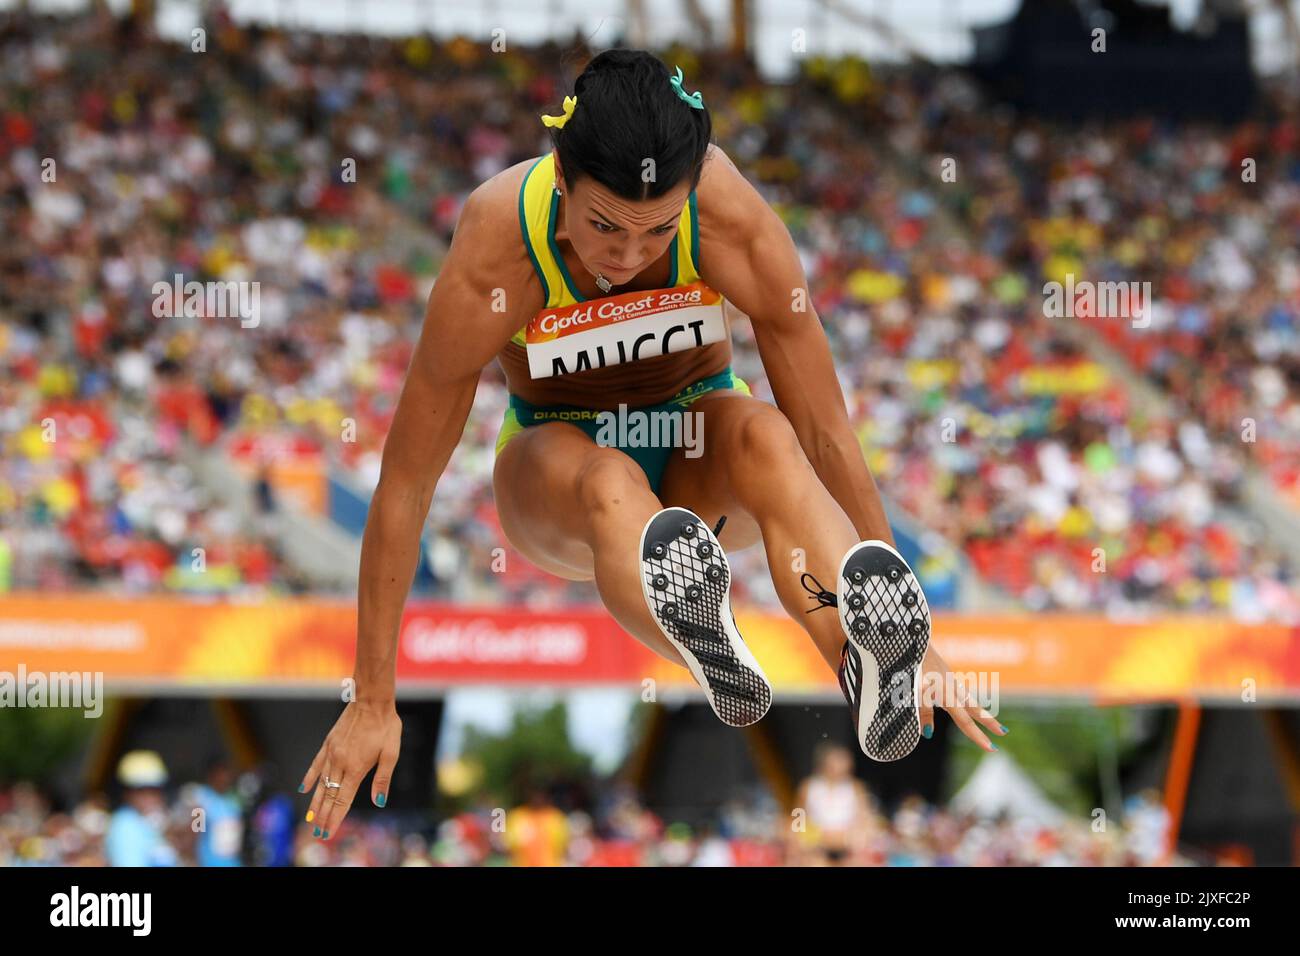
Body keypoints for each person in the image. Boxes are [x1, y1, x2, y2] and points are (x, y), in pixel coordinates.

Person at [299, 50, 1006, 839]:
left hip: (697, 447)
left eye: (658, 231)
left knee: (768, 434)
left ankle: (866, 659)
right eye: (604, 227)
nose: (629, 257)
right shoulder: (498, 242)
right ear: (562, 179)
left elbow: (823, 430)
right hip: (556, 467)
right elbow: (404, 483)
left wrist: (923, 645)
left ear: (689, 198)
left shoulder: (728, 215)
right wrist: (372, 696)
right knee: (609, 478)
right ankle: (708, 637)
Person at [789, 742, 873, 866]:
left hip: (846, 843)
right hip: (817, 843)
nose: (844, 766)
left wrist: (856, 836)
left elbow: (865, 817)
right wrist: (802, 838)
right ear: (826, 764)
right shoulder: (808, 786)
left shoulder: (856, 788)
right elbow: (797, 816)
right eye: (839, 761)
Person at [105, 750, 179, 867]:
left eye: (154, 790)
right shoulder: (124, 826)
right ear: (126, 792)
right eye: (142, 790)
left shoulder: (149, 823)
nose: (150, 797)